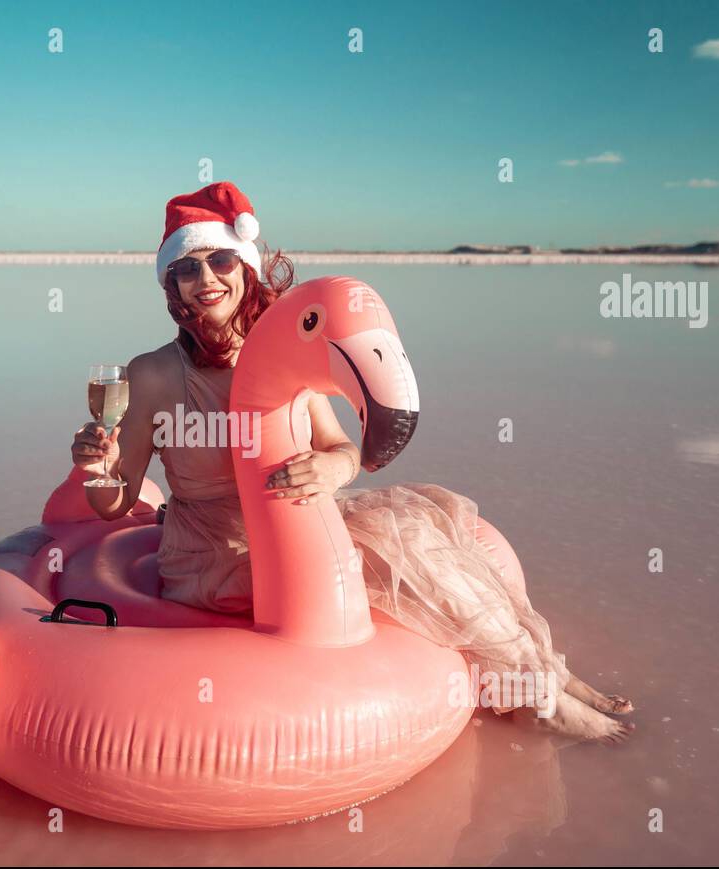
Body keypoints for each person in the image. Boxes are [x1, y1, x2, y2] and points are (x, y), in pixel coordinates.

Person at [70, 182, 633, 742]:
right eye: (187, 270)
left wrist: (335, 469)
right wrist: (101, 468)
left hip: (299, 515)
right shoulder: (152, 374)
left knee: (425, 536)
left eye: (220, 260)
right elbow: (117, 505)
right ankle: (539, 699)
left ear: (245, 268)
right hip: (215, 550)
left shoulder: (279, 350)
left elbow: (343, 449)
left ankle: (544, 678)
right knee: (412, 562)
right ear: (171, 284)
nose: (206, 280)